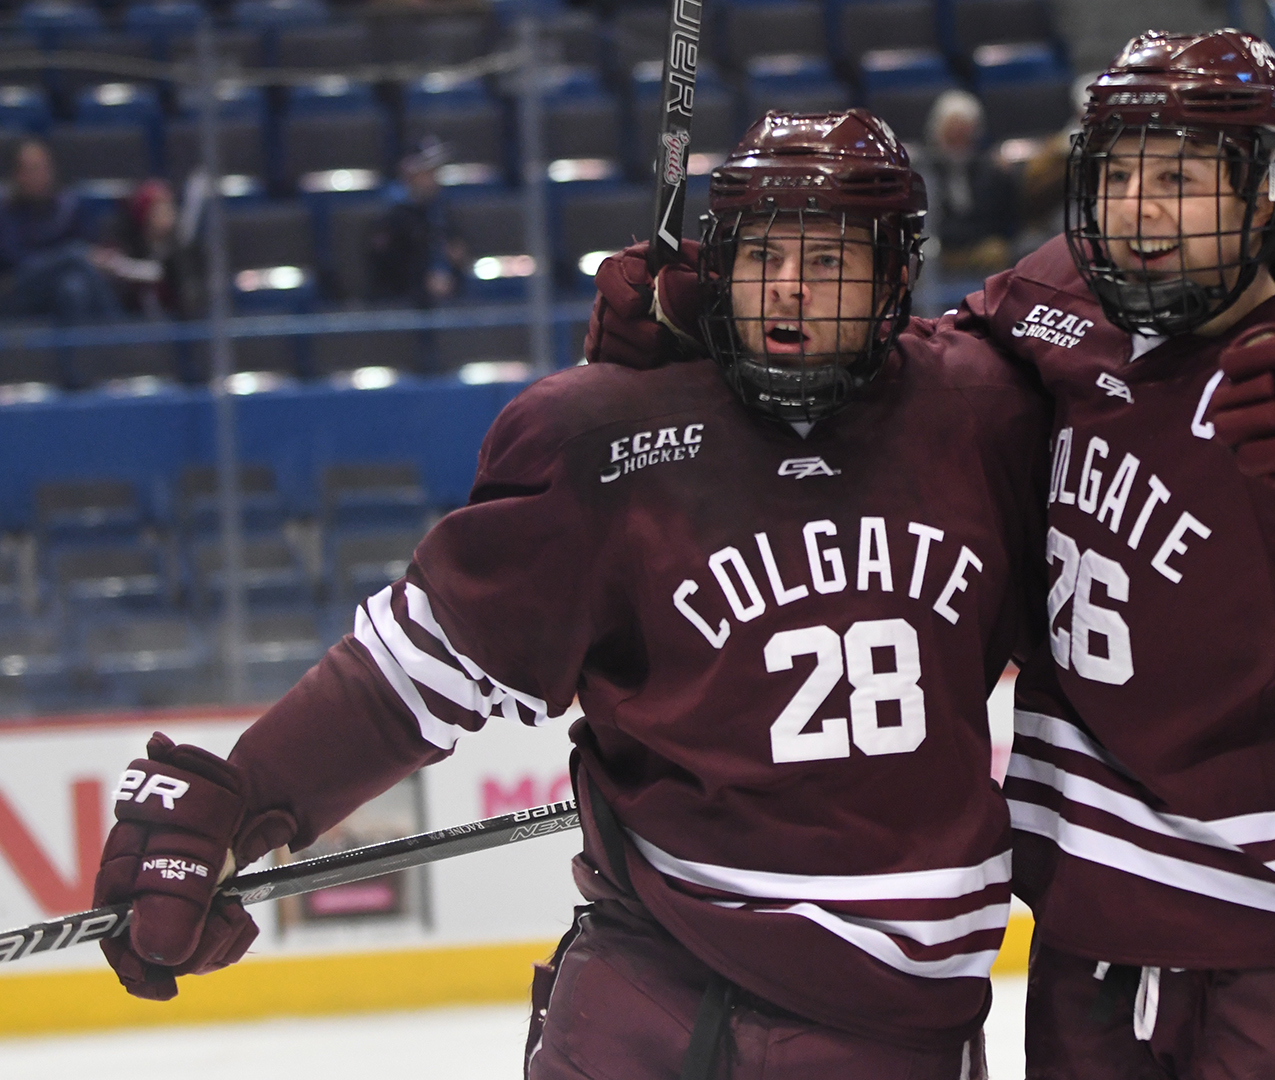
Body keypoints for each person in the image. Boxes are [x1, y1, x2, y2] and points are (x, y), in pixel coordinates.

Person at [589, 30, 1275, 1079]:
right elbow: (896, 396)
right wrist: (716, 344)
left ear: (1268, 189)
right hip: (1094, 948)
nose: (1139, 211)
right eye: (1116, 174)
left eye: (1181, 178)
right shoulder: (1054, 304)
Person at [91, 109, 1050, 1079]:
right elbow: (413, 673)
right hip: (660, 1004)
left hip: (900, 1034)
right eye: (765, 255)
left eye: (831, 260)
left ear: (896, 274)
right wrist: (243, 799)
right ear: (716, 265)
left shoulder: (984, 413)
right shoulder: (610, 438)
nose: (792, 288)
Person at [0, 138, 122, 323]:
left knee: (73, 288)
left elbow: (89, 248)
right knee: (73, 255)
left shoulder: (67, 206)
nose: (42, 175)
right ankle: (120, 331)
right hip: (17, 290)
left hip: (60, 286)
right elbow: (16, 261)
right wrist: (64, 258)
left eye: (45, 167)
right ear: (18, 175)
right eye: (33, 169)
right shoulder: (5, 211)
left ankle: (85, 350)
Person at [923, 89, 1021, 274]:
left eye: (964, 132)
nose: (958, 140)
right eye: (952, 133)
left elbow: (1007, 217)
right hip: (940, 249)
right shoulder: (925, 171)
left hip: (983, 248)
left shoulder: (993, 171)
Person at [365, 136, 469, 305]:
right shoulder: (388, 217)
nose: (434, 179)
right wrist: (423, 282)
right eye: (428, 172)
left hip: (445, 305)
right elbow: (386, 272)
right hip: (401, 309)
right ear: (409, 174)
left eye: (436, 172)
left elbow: (457, 253)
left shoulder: (441, 210)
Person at [95, 177, 206, 319]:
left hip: (174, 319)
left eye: (168, 207)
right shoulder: (128, 244)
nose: (166, 215)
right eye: (158, 210)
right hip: (131, 318)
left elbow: (183, 285)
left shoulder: (182, 249)